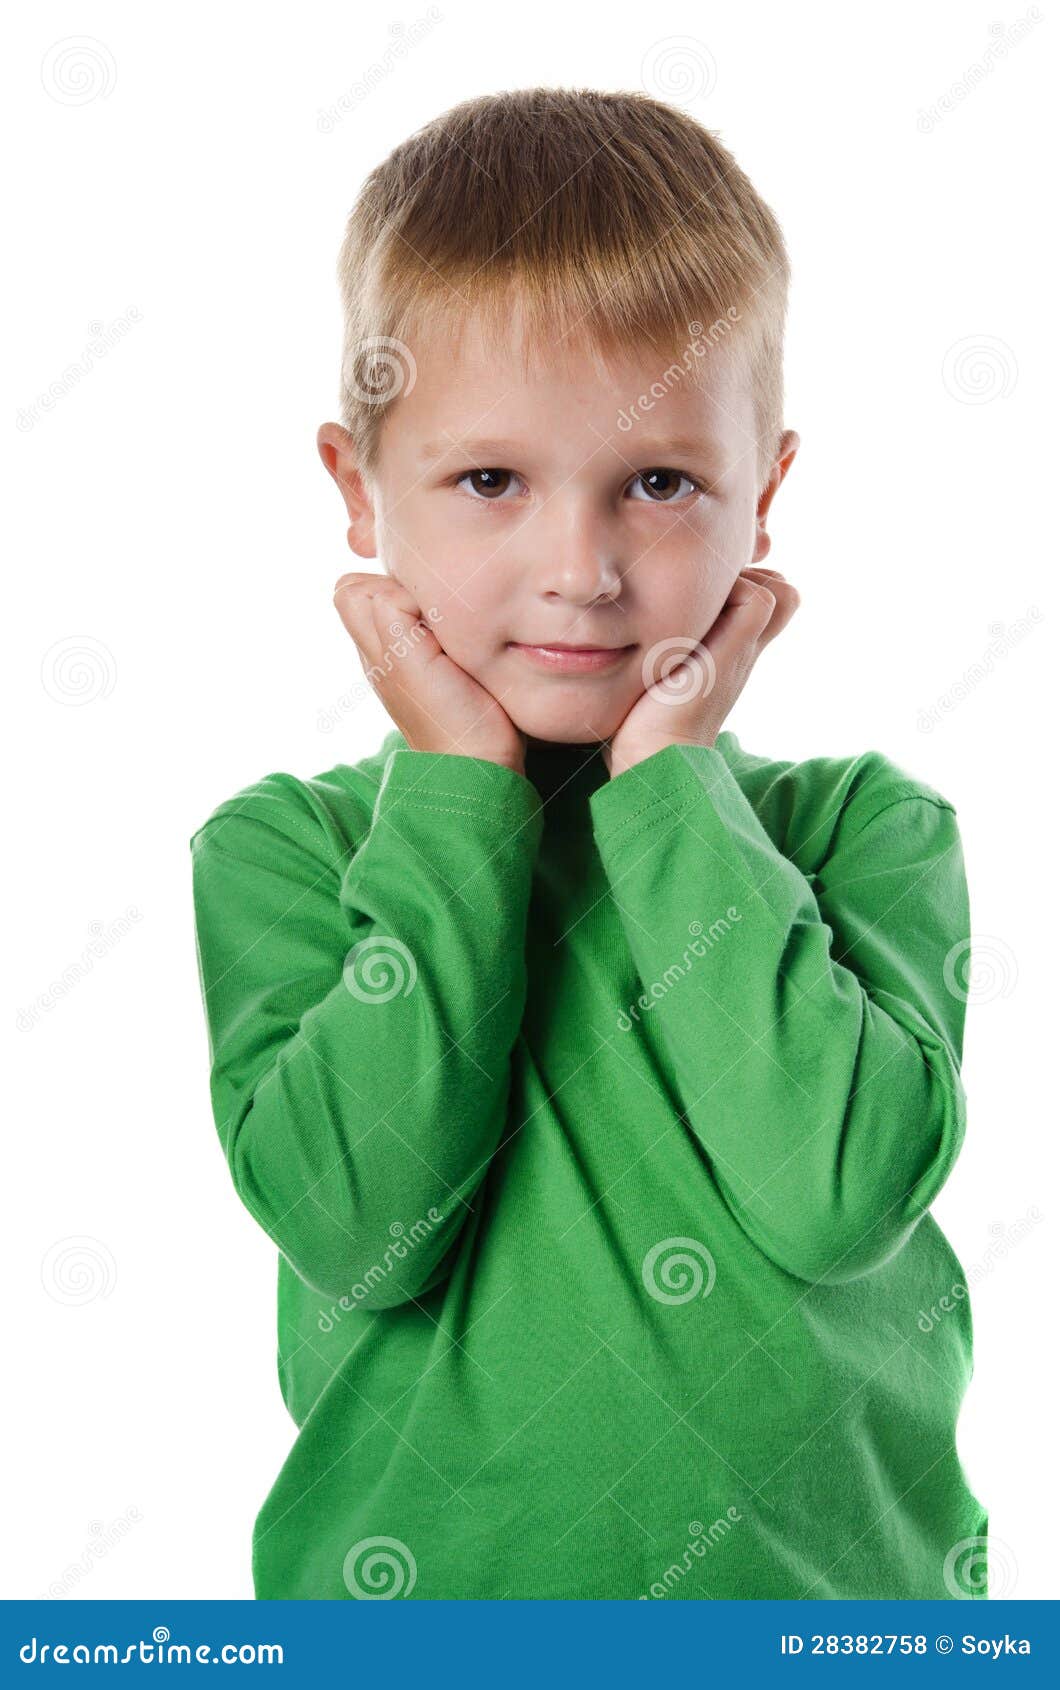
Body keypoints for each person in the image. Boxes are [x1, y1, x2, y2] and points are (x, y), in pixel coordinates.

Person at [189, 87, 987, 1600]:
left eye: (662, 483)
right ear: (363, 492)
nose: (582, 571)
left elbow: (830, 1191)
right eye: (491, 480)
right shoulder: (286, 853)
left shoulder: (865, 831)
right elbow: (364, 1232)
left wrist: (672, 781)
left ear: (767, 495)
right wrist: (460, 795)